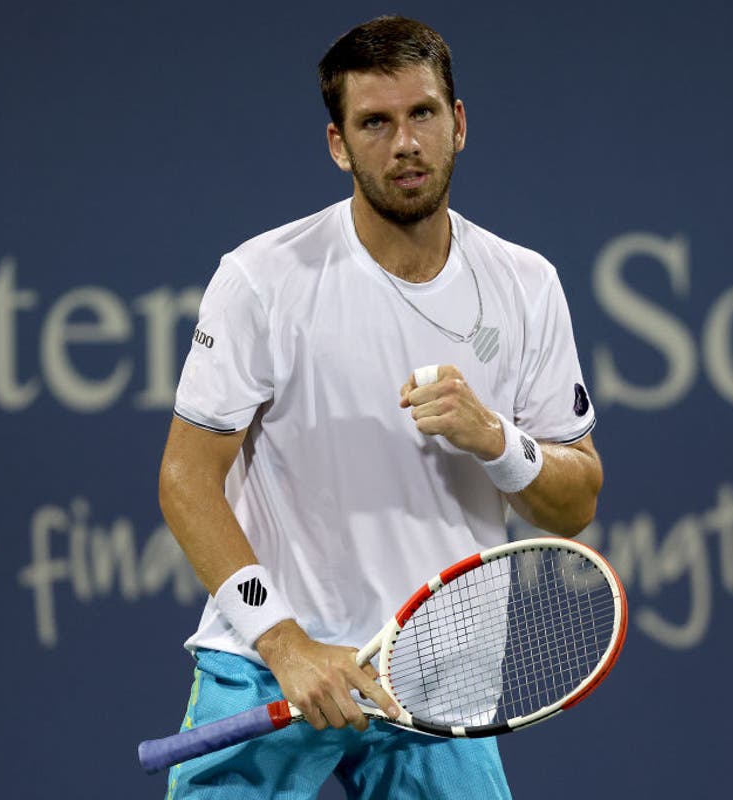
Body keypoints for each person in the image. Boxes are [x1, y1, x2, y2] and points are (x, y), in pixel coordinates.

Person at [159, 15, 603, 800]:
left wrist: (498, 440)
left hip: (435, 686)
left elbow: (575, 502)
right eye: (375, 122)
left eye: (423, 114)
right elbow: (186, 478)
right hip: (267, 663)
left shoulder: (528, 284)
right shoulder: (263, 279)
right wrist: (287, 642)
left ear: (458, 125)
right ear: (339, 144)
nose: (405, 143)